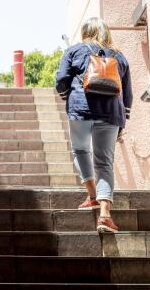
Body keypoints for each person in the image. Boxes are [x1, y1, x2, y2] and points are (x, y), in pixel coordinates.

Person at [55, 17, 133, 233]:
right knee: (105, 162)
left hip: (80, 109)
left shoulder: (74, 51)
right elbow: (127, 92)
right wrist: (122, 120)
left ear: (85, 32)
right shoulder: (119, 56)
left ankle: (92, 196)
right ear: (106, 32)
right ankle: (105, 216)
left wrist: (67, 96)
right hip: (110, 113)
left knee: (80, 150)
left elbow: (61, 79)